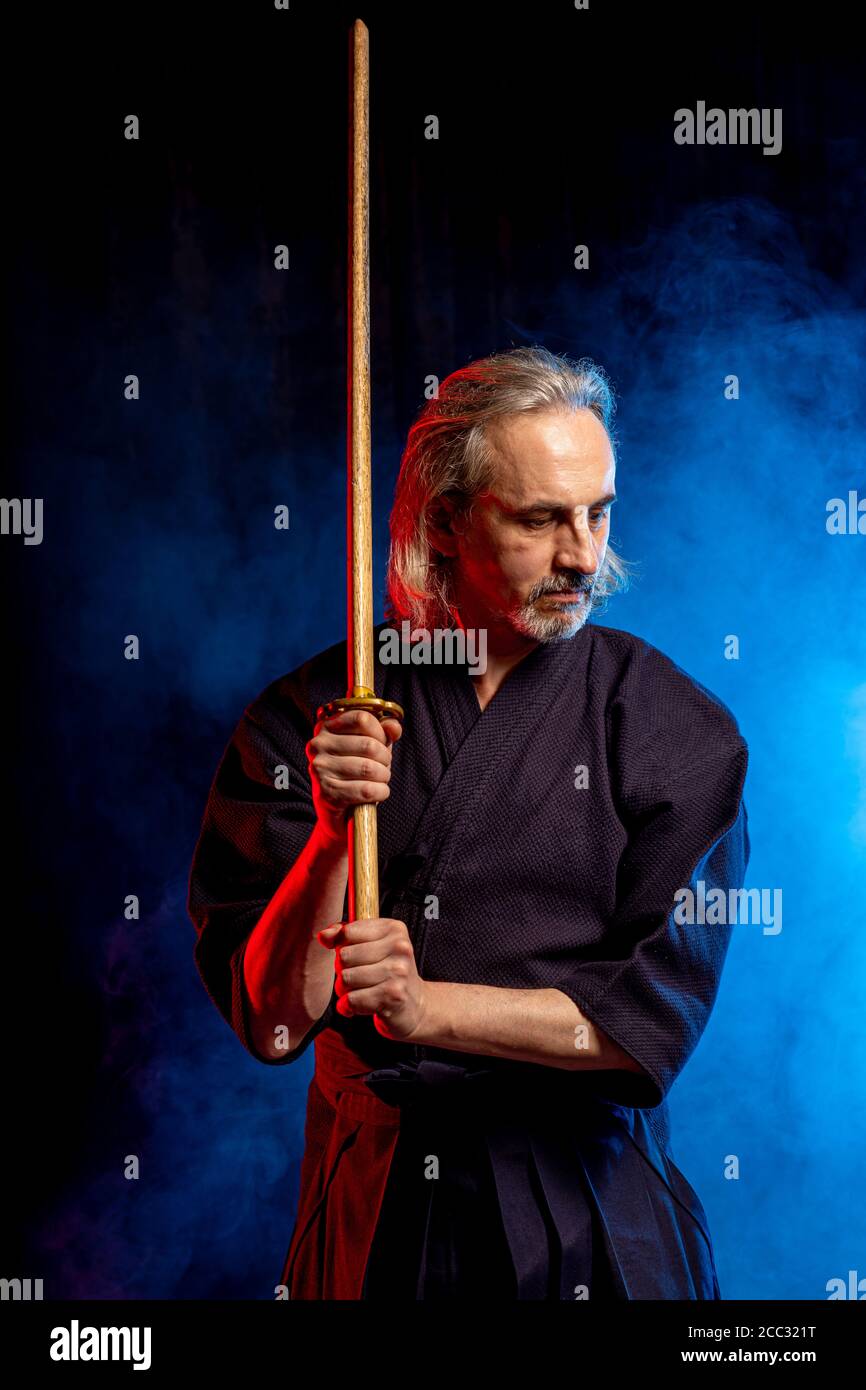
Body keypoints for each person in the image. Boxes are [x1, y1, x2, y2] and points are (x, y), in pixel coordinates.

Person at [187, 346, 750, 1300]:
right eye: (541, 519)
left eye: (599, 510)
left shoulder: (669, 726)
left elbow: (643, 1029)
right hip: (381, 1211)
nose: (585, 554)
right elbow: (275, 1022)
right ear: (446, 520)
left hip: (589, 1210)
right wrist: (333, 833)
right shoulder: (314, 715)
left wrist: (427, 1007)